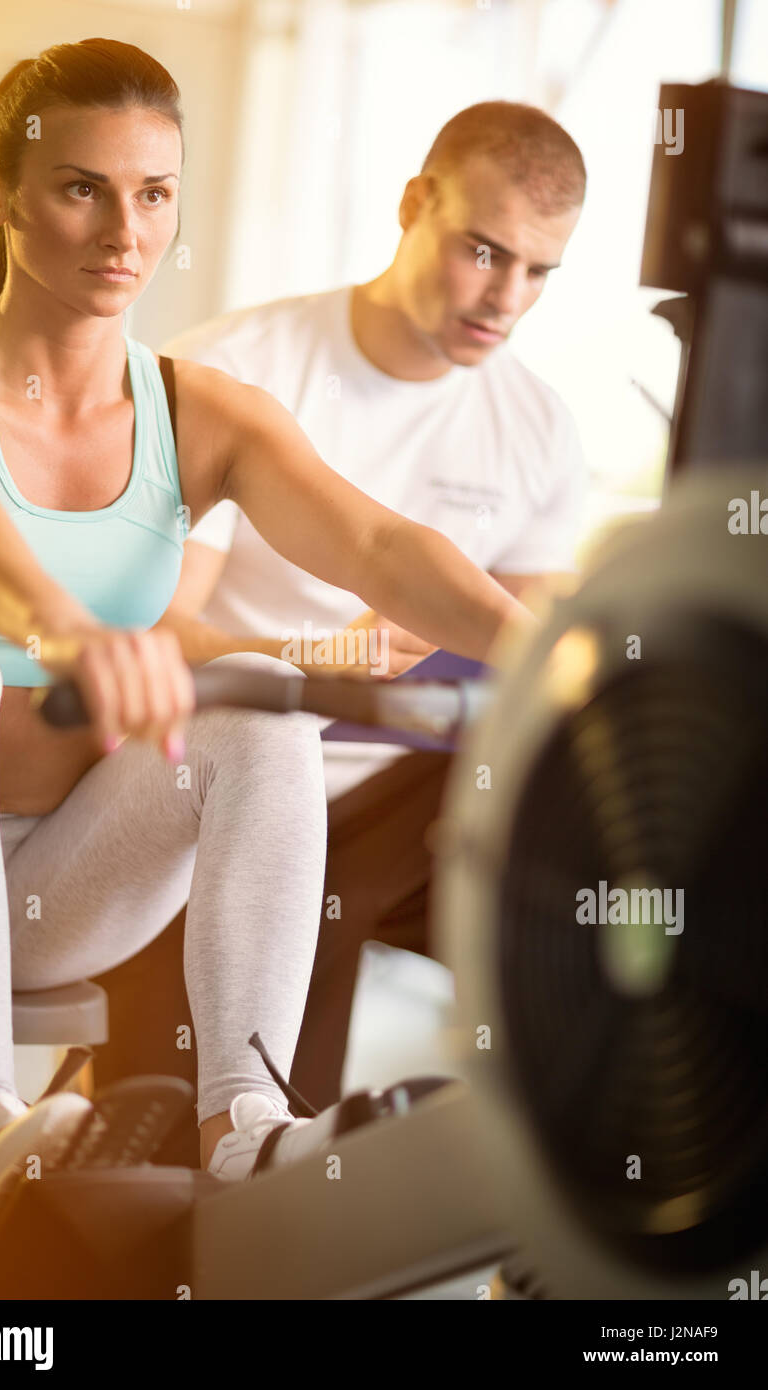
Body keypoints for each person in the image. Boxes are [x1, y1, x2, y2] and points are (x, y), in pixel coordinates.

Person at [0, 38, 534, 1269]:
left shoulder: (199, 412)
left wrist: (560, 659)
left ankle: (245, 1125)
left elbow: (379, 544)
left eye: (153, 193)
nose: (122, 229)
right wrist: (68, 627)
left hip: (60, 889)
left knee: (259, 713)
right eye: (81, 186)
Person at [123, 101, 588, 1106]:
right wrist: (309, 653)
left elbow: (534, 651)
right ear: (412, 203)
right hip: (237, 758)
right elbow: (156, 631)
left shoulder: (537, 426)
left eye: (538, 271)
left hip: (415, 795)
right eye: (481, 249)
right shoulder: (236, 368)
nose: (504, 296)